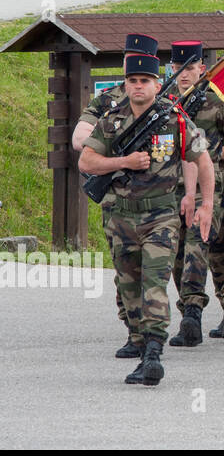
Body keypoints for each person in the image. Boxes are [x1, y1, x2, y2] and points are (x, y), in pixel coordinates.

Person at [78, 49, 213, 385]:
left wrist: (204, 203)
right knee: (129, 286)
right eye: (133, 81)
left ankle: (153, 351)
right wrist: (123, 163)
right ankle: (140, 346)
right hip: (121, 218)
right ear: (126, 84)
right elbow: (87, 162)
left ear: (156, 84)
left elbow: (204, 161)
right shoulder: (111, 120)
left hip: (160, 217)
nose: (139, 86)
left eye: (145, 81)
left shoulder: (176, 119)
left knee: (154, 282)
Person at [73, 32, 158, 358]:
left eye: (136, 57)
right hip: (116, 196)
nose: (129, 62)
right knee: (126, 270)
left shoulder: (161, 103)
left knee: (156, 270)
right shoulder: (107, 101)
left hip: (156, 198)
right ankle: (134, 330)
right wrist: (114, 140)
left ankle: (155, 333)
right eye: (127, 56)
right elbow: (80, 139)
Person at [167, 40, 224, 348]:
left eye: (189, 68)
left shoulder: (217, 105)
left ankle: (193, 316)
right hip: (171, 189)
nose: (183, 74)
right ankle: (205, 308)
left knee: (198, 248)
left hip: (211, 188)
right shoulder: (165, 105)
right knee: (177, 254)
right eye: (177, 68)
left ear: (202, 69)